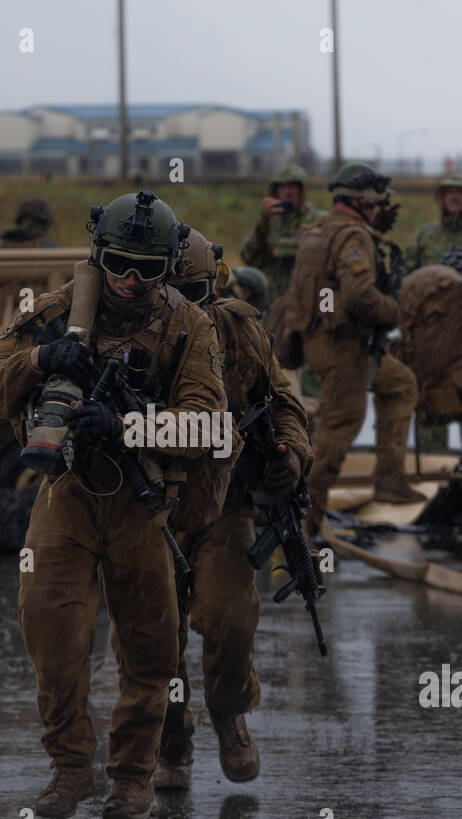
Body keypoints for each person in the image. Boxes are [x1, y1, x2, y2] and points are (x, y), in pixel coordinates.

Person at [0, 190, 225, 819]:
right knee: (49, 625)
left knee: (150, 648)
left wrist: (129, 425)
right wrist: (39, 360)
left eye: (147, 269)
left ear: (168, 268)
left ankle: (133, 778)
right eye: (118, 263)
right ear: (98, 255)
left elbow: (209, 426)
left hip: (143, 501)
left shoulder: (189, 327)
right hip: (67, 491)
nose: (130, 281)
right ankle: (67, 769)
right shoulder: (61, 308)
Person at [152, 230, 312, 790]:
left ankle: (230, 716)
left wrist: (291, 455)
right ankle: (171, 740)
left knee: (227, 619)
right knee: (155, 635)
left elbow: (282, 399)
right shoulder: (124, 336)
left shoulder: (238, 328)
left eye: (193, 295)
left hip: (224, 501)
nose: (182, 308)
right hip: (148, 508)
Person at [278, 162, 425, 533]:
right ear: (360, 202)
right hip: (342, 344)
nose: (376, 212)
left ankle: (389, 480)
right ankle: (305, 522)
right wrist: (397, 313)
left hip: (320, 339)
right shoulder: (353, 237)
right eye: (373, 205)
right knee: (340, 426)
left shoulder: (320, 231)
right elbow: (359, 296)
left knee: (400, 383)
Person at [240, 164, 325, 304]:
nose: (288, 192)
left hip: (310, 299)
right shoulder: (270, 222)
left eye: (293, 186)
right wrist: (263, 223)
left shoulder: (317, 219)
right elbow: (249, 258)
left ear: (302, 190)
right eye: (282, 186)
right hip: (276, 301)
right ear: (275, 191)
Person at [404, 174, 462, 273]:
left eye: (458, 192)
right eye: (449, 192)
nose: (453, 197)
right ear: (442, 198)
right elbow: (407, 270)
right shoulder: (425, 234)